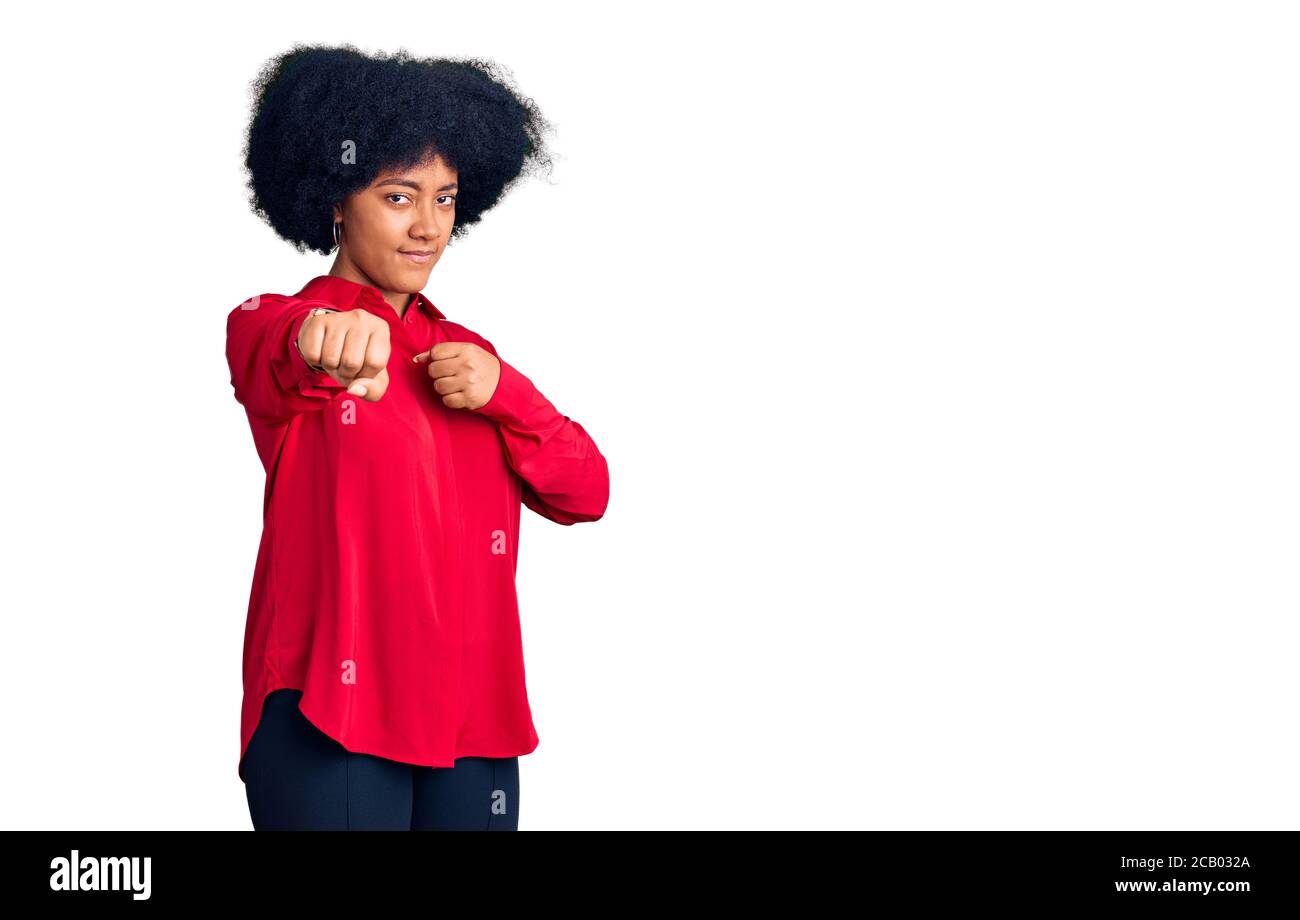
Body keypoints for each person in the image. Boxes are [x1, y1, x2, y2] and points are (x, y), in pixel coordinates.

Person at [225, 44, 609, 831]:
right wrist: (324, 338)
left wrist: (507, 394)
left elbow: (588, 491)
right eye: (399, 197)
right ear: (337, 199)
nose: (429, 226)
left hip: (473, 727)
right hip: (329, 714)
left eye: (445, 198)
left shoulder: (468, 360)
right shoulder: (276, 323)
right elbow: (278, 351)